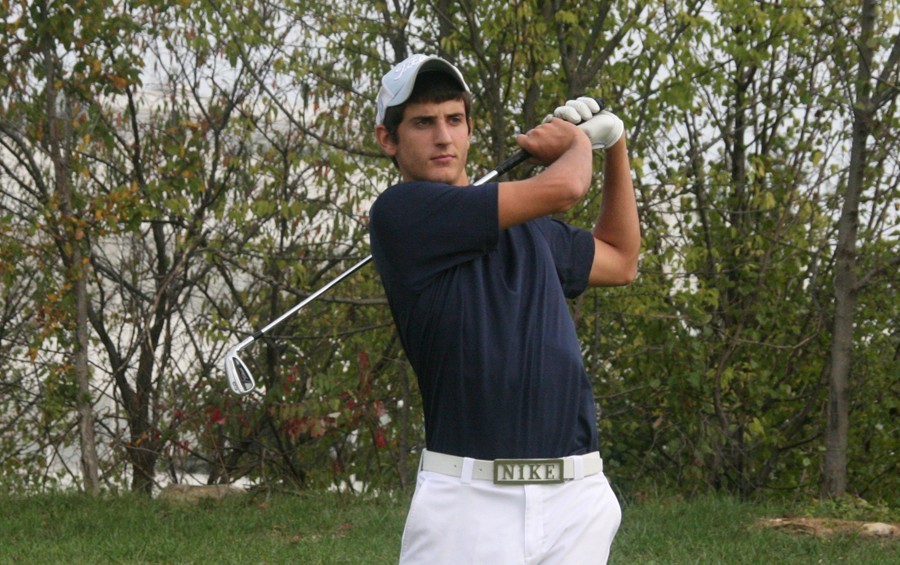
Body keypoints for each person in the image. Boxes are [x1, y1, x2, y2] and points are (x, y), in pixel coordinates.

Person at [368, 53, 640, 564]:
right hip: (468, 503)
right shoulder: (400, 214)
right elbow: (566, 187)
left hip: (576, 495)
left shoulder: (528, 229)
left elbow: (621, 260)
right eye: (423, 123)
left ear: (470, 130)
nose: (443, 137)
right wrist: (578, 144)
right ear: (388, 139)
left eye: (454, 119)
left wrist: (615, 145)